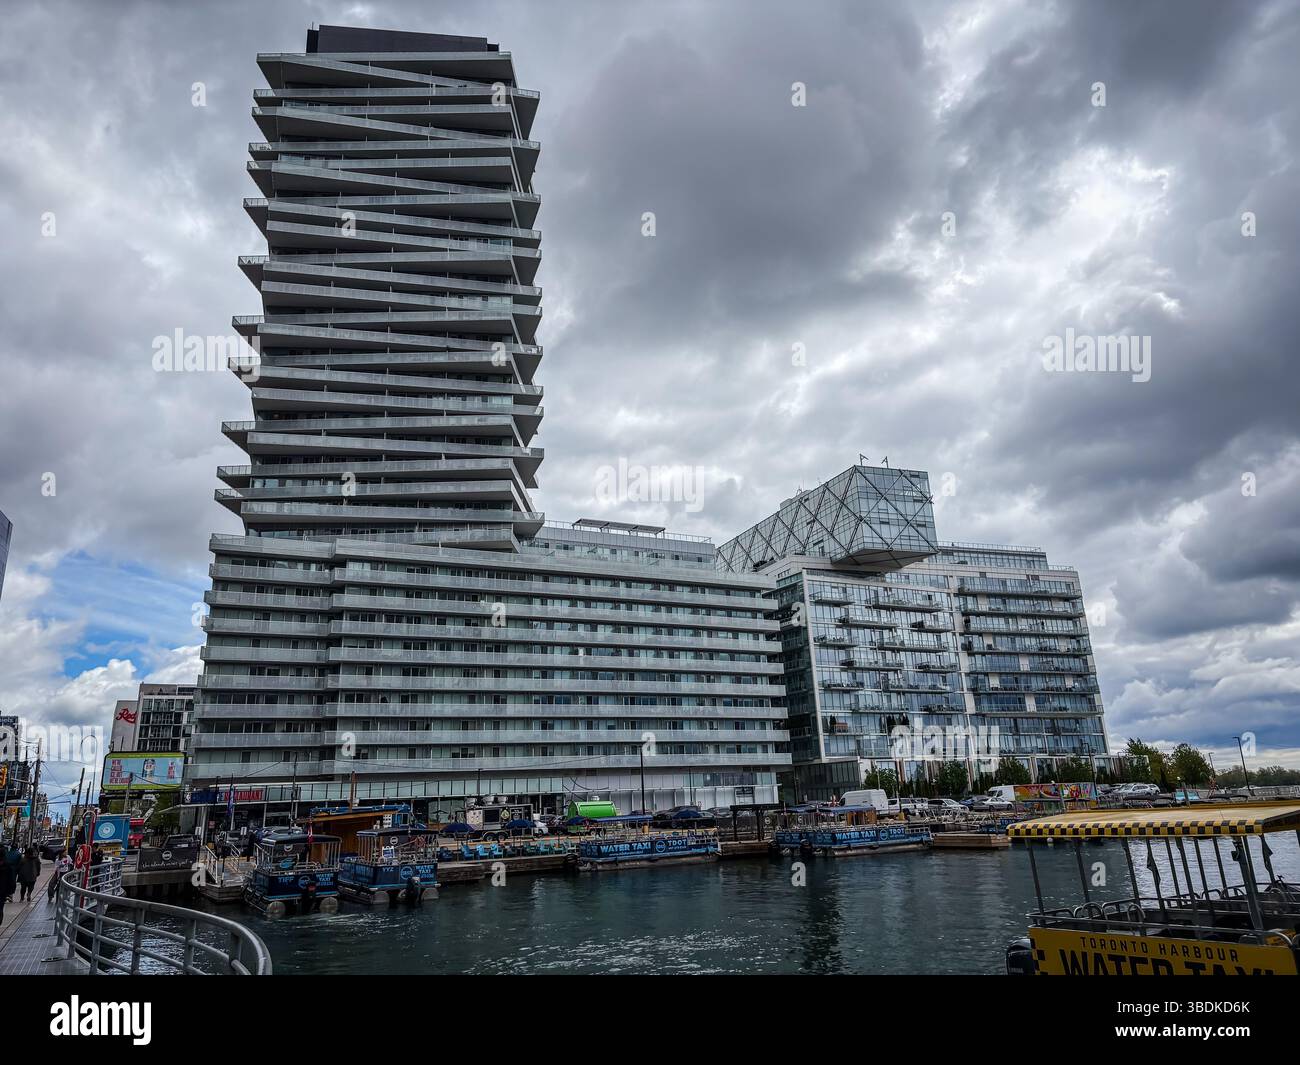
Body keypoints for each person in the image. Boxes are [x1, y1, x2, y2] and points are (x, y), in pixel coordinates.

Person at [0, 859, 15, 923]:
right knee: (0, 908)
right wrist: (11, 891)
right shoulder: (8, 866)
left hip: (3, 891)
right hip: (2, 891)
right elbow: (11, 880)